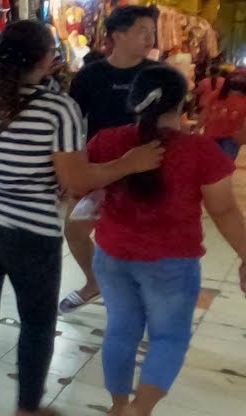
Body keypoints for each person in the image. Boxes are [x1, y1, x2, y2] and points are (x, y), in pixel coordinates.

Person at [0, 20, 162, 416]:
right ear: (46, 60)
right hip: (30, 236)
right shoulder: (59, 110)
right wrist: (128, 163)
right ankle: (27, 410)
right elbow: (76, 178)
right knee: (35, 324)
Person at [86, 65, 246, 416]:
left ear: (134, 100)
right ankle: (140, 410)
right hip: (170, 263)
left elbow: (84, 186)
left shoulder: (107, 140)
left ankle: (118, 406)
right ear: (182, 103)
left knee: (121, 330)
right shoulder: (200, 151)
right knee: (168, 338)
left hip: (112, 254)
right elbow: (225, 212)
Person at [61, 5, 159, 315]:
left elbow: (171, 126)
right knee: (75, 230)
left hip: (144, 170)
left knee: (136, 239)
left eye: (152, 31)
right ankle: (94, 282)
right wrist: (70, 171)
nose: (150, 37)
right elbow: (73, 124)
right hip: (97, 170)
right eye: (143, 31)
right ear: (118, 35)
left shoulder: (158, 76)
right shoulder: (91, 75)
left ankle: (138, 302)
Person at [199, 76, 246, 159]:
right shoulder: (217, 95)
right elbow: (206, 111)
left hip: (231, 137)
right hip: (212, 134)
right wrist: (198, 126)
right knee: (208, 161)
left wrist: (242, 137)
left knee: (225, 164)